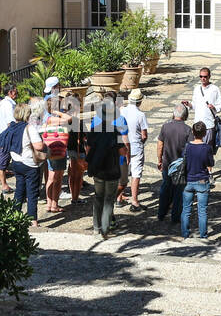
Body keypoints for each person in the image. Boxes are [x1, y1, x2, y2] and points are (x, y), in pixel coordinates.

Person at [82, 97, 127, 238]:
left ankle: (96, 227)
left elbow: (88, 150)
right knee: (109, 199)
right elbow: (122, 151)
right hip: (112, 169)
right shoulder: (116, 131)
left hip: (98, 169)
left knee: (98, 197)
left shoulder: (93, 131)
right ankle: (105, 228)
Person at [9, 100, 46, 227]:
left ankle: (14, 215)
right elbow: (39, 146)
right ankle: (32, 220)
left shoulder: (12, 126)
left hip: (16, 162)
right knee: (32, 192)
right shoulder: (29, 128)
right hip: (29, 164)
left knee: (19, 190)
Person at [156, 103, 192, 224]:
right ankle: (175, 217)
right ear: (185, 115)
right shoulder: (187, 130)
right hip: (180, 166)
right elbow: (190, 149)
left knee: (165, 188)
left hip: (167, 163)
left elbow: (160, 144)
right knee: (178, 192)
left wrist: (159, 160)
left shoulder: (165, 127)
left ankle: (161, 213)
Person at [180, 121, 215, 240]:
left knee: (186, 210)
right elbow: (211, 163)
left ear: (193, 132)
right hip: (201, 181)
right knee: (202, 211)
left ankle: (185, 234)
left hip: (188, 180)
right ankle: (203, 235)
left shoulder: (187, 147)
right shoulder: (206, 148)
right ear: (205, 133)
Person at [41, 94, 72, 214]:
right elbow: (68, 118)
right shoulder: (51, 118)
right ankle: (53, 204)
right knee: (56, 177)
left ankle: (51, 203)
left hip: (51, 148)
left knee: (52, 177)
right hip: (57, 149)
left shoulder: (46, 117)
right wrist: (57, 112)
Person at [120, 88, 150, 211]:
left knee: (122, 173)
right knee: (136, 174)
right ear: (140, 101)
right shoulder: (141, 115)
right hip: (136, 147)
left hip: (122, 146)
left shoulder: (122, 111)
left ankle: (119, 197)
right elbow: (144, 135)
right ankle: (135, 200)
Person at [190, 67, 221, 151]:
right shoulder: (196, 89)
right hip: (197, 125)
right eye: (201, 76)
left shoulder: (215, 89)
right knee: (196, 149)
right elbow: (194, 105)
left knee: (207, 150)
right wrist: (189, 105)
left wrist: (214, 107)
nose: (203, 78)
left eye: (205, 76)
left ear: (209, 76)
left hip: (208, 125)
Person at [0, 82, 19, 193]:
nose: (17, 91)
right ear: (10, 92)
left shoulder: (4, 103)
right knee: (3, 161)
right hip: (7, 137)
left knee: (5, 160)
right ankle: (4, 186)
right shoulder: (8, 105)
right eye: (15, 90)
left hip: (5, 135)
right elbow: (11, 123)